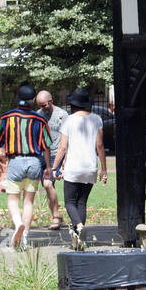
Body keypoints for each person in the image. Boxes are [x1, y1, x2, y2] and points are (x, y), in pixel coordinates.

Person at [0, 83, 53, 249]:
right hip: (34, 162)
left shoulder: (6, 118)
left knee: (12, 199)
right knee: (29, 201)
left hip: (15, 161)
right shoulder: (39, 119)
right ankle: (24, 236)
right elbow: (46, 146)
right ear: (33, 100)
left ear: (18, 98)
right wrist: (48, 166)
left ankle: (18, 224)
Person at [51, 88, 107, 249]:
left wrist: (55, 167)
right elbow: (100, 145)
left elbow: (62, 147)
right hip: (90, 166)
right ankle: (77, 242)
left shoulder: (68, 120)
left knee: (69, 201)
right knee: (81, 202)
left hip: (73, 167)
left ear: (72, 105)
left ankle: (79, 226)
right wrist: (103, 169)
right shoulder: (96, 119)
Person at [35, 90, 69, 231]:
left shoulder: (62, 115)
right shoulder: (38, 115)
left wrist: (65, 160)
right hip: (42, 156)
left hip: (57, 154)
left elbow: (67, 139)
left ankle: (56, 217)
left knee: (48, 185)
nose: (43, 108)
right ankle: (57, 216)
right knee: (49, 187)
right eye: (40, 105)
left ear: (51, 100)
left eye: (44, 105)